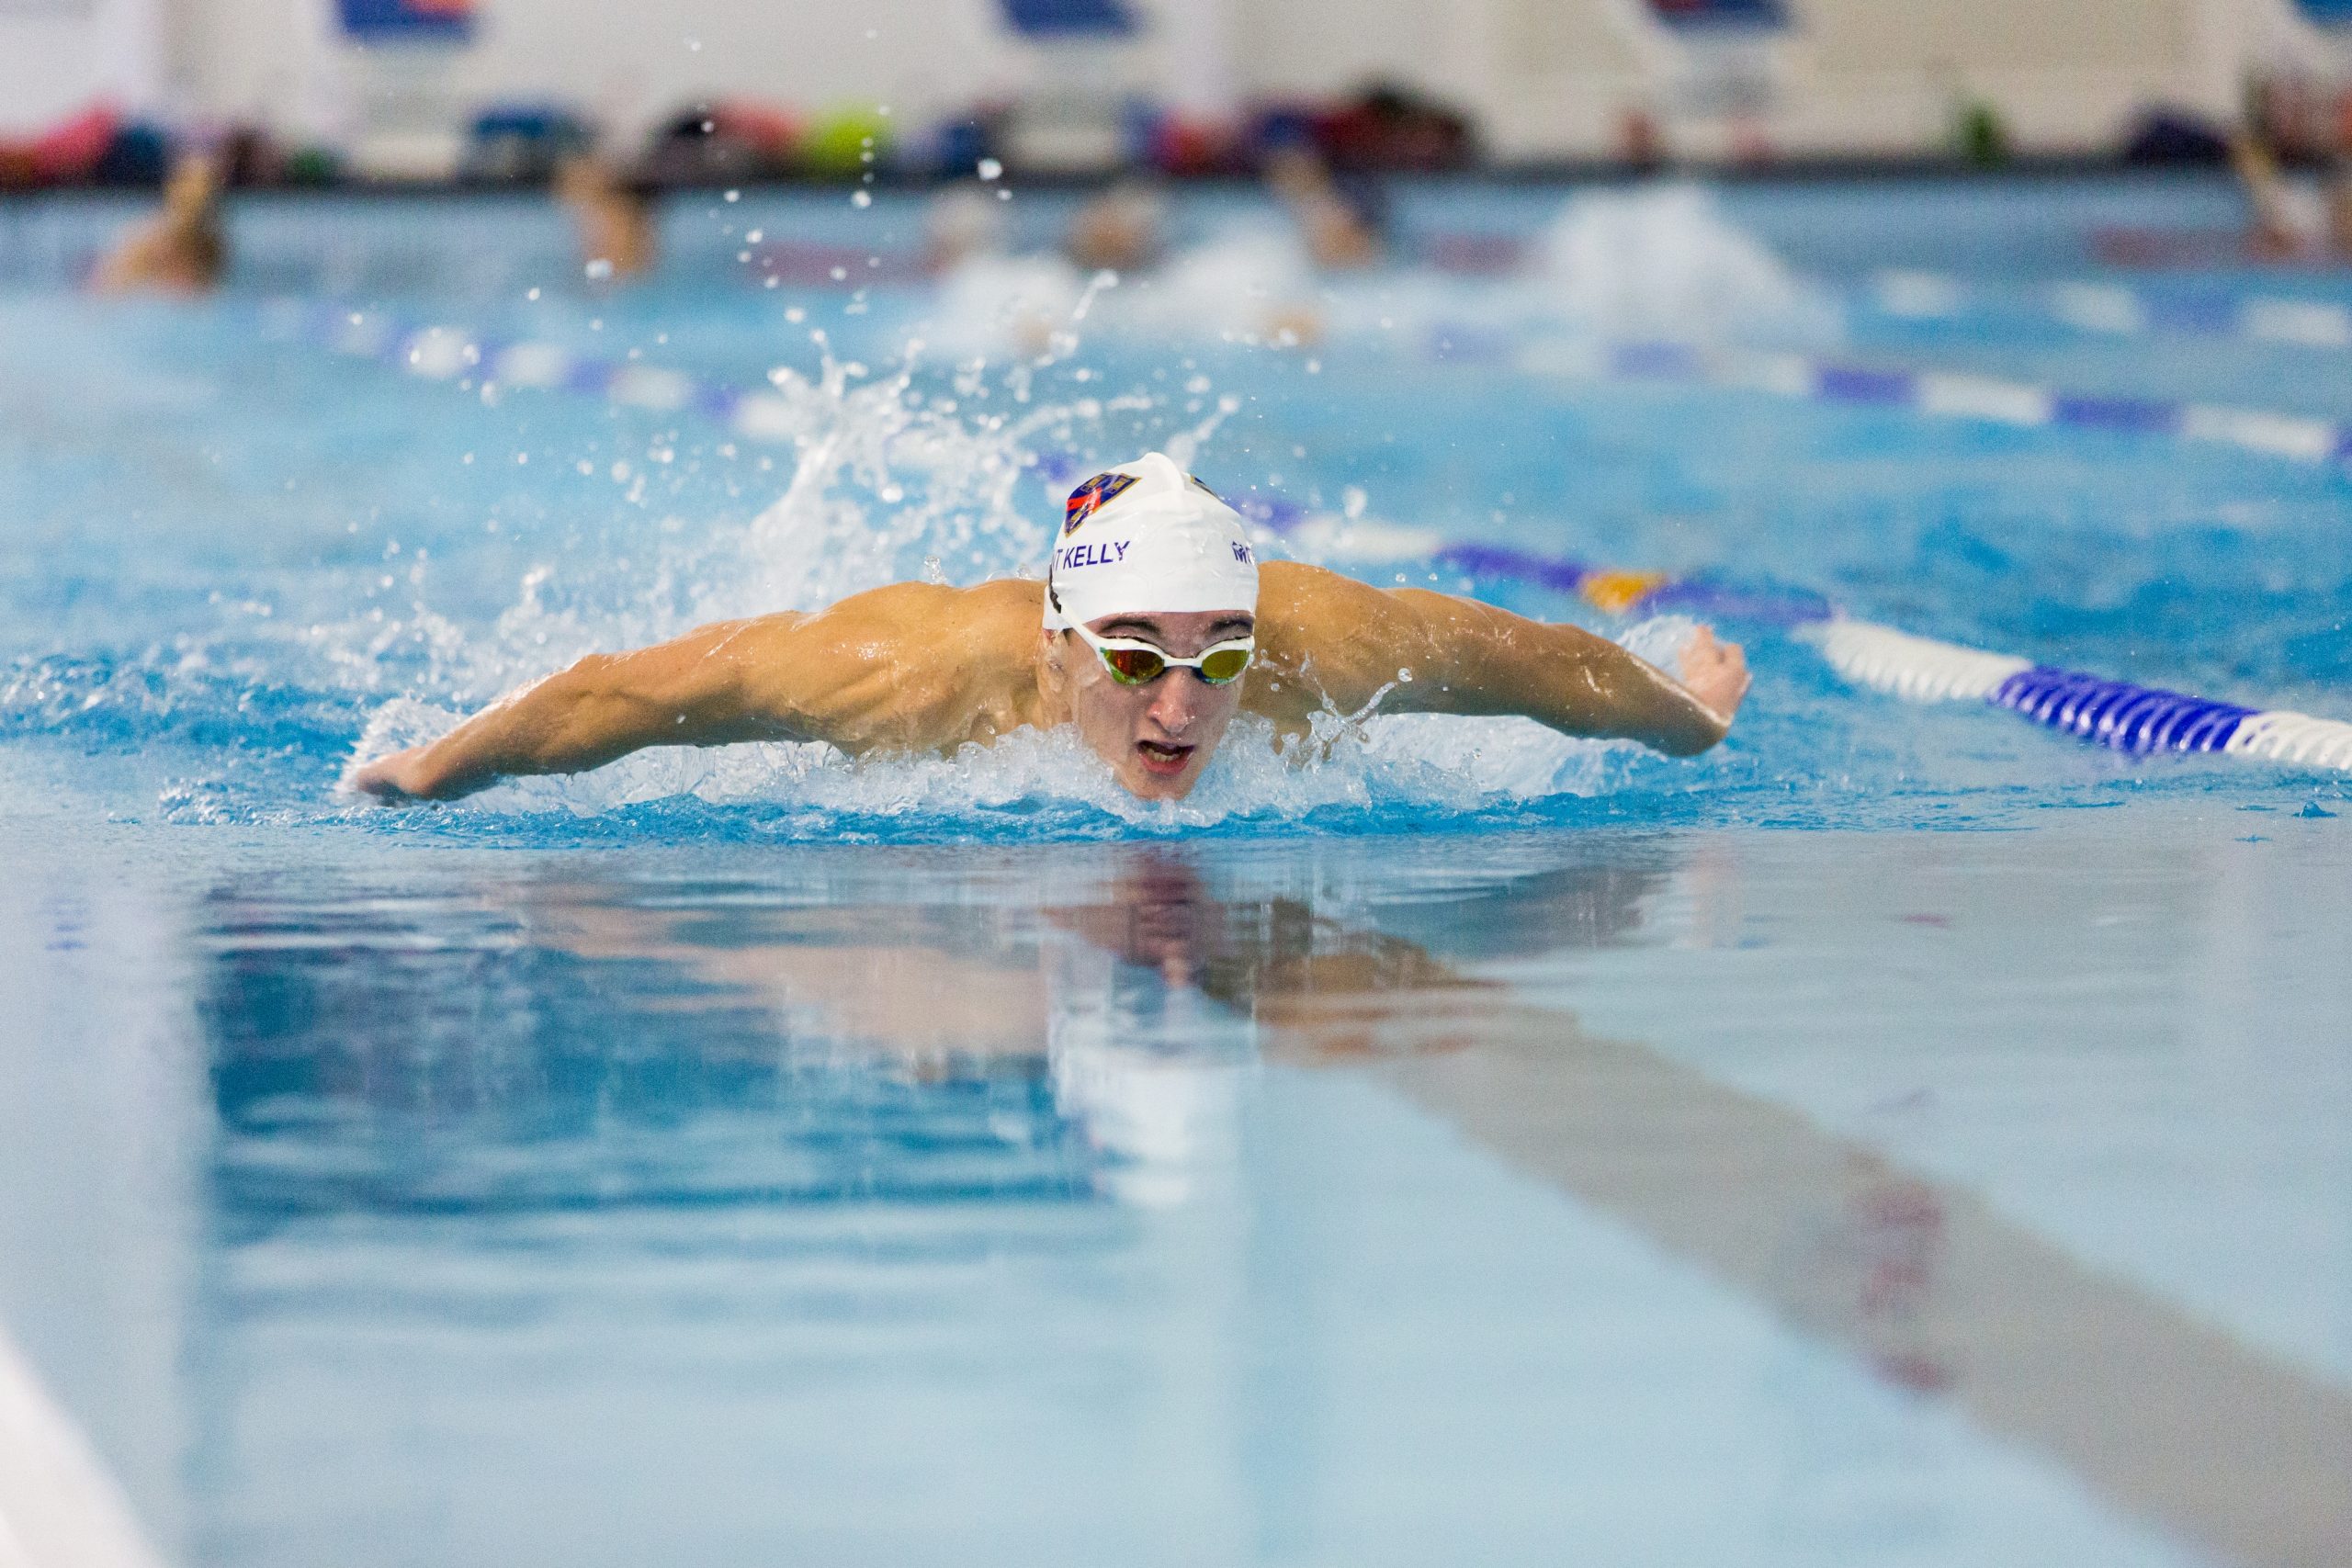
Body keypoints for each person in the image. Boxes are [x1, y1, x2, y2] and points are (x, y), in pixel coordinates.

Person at [349, 452, 1749, 806]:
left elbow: (1538, 664)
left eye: (1219, 650)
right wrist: (430, 767)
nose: (1185, 700)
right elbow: (625, 699)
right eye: (1136, 650)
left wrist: (1690, 716)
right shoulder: (912, 673)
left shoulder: (1326, 641)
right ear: (1059, 644)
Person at [90, 152, 226, 296]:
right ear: (172, 190)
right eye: (190, 192)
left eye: (205, 191)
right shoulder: (144, 244)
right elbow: (107, 293)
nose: (197, 195)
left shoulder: (213, 248)